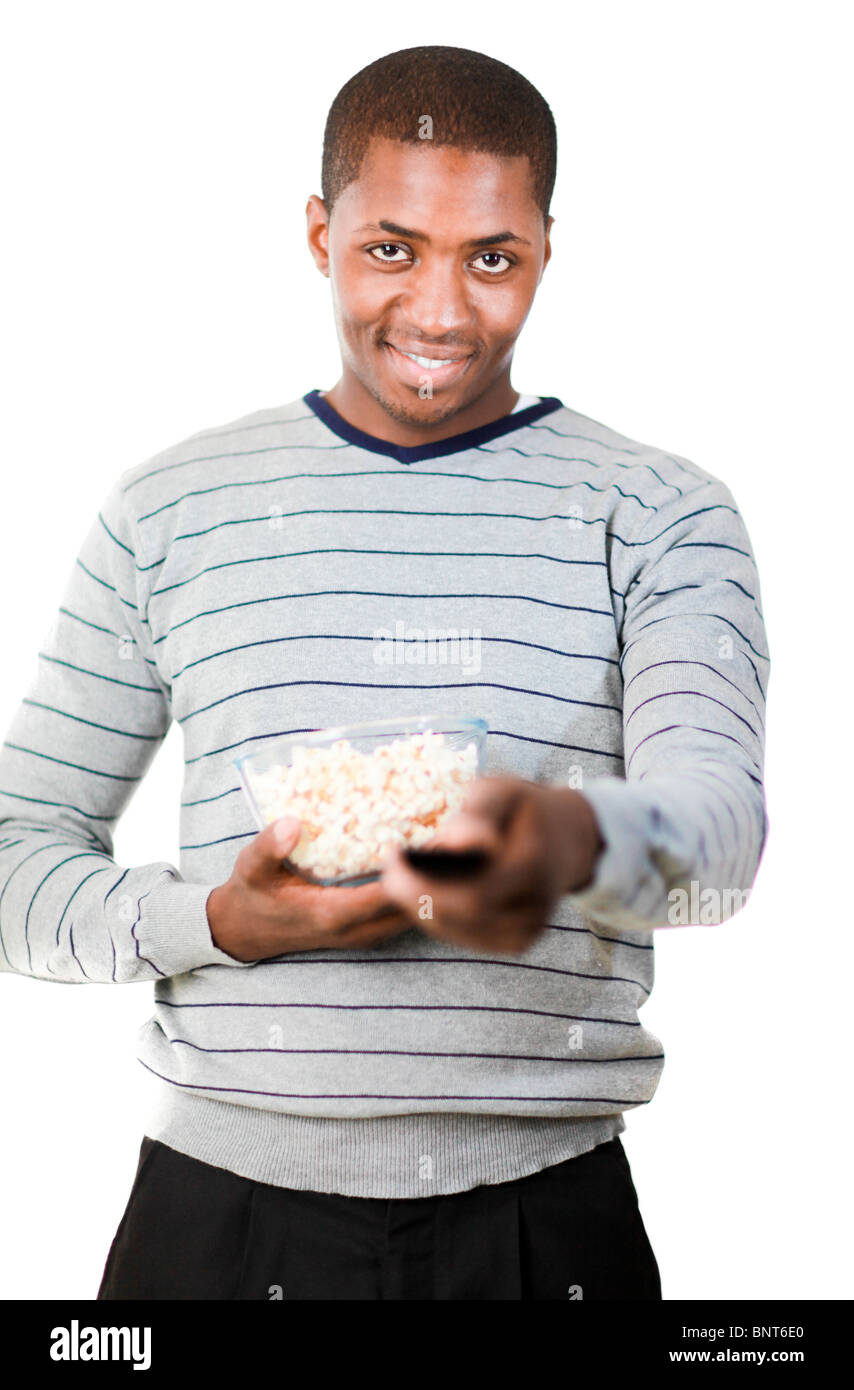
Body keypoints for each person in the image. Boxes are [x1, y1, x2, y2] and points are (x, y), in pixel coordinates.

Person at [0, 44, 770, 1301]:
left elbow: (720, 842)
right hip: (214, 1227)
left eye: (492, 258)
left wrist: (550, 842)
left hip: (543, 1223)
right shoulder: (170, 508)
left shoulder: (660, 511)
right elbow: (13, 847)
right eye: (391, 249)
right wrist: (216, 924)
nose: (439, 315)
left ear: (543, 248)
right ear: (319, 232)